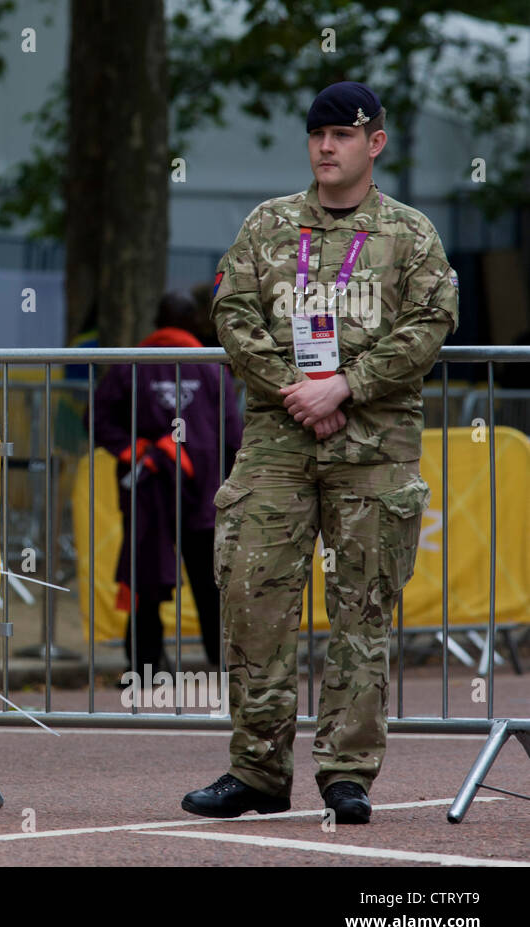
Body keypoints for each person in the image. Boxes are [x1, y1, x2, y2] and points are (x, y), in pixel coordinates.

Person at [181, 81, 458, 824]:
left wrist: (346, 387)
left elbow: (432, 322)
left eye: (343, 134)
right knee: (250, 597)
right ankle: (257, 771)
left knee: (362, 609)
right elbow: (232, 310)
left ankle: (346, 772)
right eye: (317, 135)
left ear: (376, 143)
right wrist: (293, 388)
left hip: (373, 449)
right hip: (276, 443)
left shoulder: (410, 234)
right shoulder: (268, 225)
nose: (327, 147)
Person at [90, 291, 243, 675]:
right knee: (211, 583)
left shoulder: (129, 366)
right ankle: (224, 665)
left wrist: (133, 451)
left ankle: (143, 665)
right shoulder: (212, 369)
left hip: (146, 491)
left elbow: (96, 420)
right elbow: (234, 436)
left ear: (157, 321)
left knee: (146, 577)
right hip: (204, 492)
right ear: (193, 321)